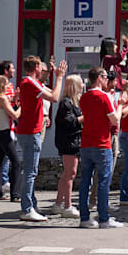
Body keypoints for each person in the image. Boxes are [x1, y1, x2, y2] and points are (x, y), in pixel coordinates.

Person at [17, 55, 67, 222]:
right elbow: (54, 97)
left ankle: (31, 205)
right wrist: (59, 77)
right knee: (30, 172)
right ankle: (27, 208)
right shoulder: (29, 83)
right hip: (30, 131)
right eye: (41, 67)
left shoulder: (31, 83)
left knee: (31, 171)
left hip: (31, 130)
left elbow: (50, 93)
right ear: (36, 67)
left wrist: (55, 75)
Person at [77, 67, 128, 228]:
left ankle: (84, 218)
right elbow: (115, 120)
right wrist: (120, 105)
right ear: (99, 78)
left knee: (85, 182)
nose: (107, 80)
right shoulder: (104, 97)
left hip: (86, 143)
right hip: (101, 143)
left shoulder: (84, 97)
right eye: (105, 77)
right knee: (104, 182)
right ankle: (104, 218)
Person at [51, 75, 83, 218]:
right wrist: (85, 117)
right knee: (70, 173)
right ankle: (68, 205)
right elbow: (69, 122)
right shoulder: (66, 103)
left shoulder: (71, 102)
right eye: (81, 83)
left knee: (67, 173)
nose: (83, 85)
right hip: (69, 142)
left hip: (72, 141)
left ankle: (58, 203)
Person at [0, 74, 20, 202]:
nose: (8, 86)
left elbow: (7, 102)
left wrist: (14, 98)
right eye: (6, 84)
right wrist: (22, 106)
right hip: (5, 133)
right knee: (16, 162)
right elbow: (14, 115)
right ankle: (15, 194)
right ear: (2, 86)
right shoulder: (2, 99)